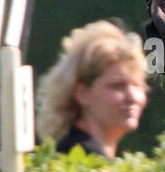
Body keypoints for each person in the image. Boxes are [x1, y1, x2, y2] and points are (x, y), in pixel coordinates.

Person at [36, 20, 148, 158]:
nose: (133, 97)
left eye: (137, 85)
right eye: (117, 86)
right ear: (82, 93)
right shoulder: (82, 158)